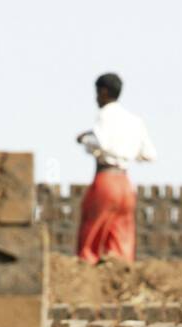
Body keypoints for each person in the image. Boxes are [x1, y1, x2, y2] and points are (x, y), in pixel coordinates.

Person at [75, 72, 156, 263]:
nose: (96, 99)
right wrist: (127, 151)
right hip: (126, 184)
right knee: (121, 239)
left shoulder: (105, 114)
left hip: (106, 180)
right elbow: (149, 154)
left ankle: (86, 274)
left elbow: (100, 142)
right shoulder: (135, 121)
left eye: (97, 94)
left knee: (91, 235)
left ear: (103, 92)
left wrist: (84, 139)